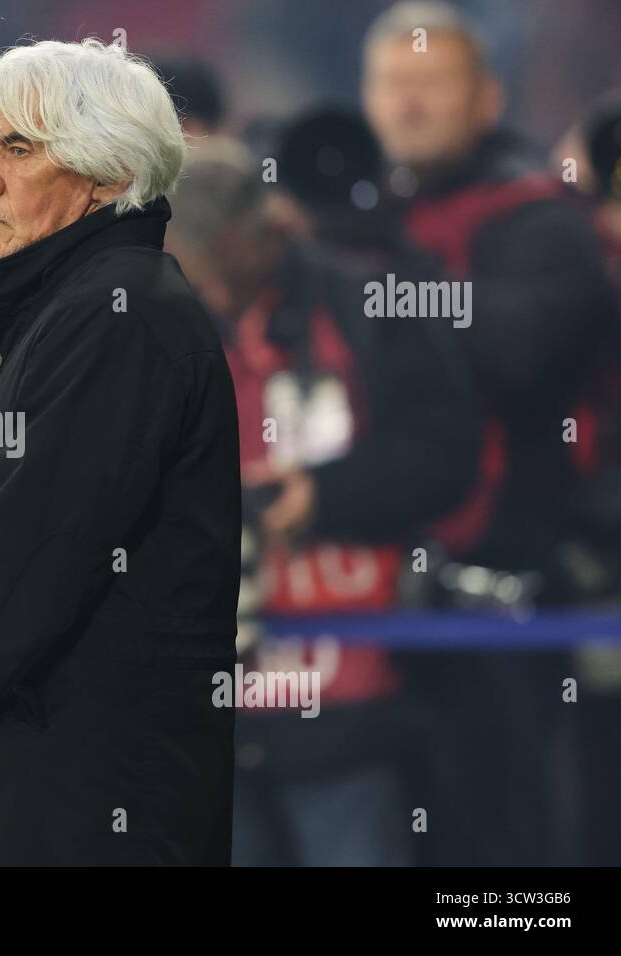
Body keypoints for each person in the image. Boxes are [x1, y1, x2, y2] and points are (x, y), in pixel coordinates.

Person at [0, 39, 241, 866]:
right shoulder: (90, 308)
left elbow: (21, 560)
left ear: (107, 175)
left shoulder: (116, 314)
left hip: (96, 811)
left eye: (18, 149)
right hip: (80, 791)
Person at [169, 139, 481, 865]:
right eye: (185, 263)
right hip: (203, 697)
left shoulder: (371, 304)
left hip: (348, 683)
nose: (209, 286)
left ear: (264, 230)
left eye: (216, 257)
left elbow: (446, 453)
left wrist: (325, 495)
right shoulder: (160, 318)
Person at [362, 1, 617, 864]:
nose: (410, 104)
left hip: (513, 569)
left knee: (510, 829)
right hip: (373, 581)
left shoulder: (541, 220)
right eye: (393, 84)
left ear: (485, 97)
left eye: (431, 83)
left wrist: (386, 294)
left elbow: (517, 351)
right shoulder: (357, 223)